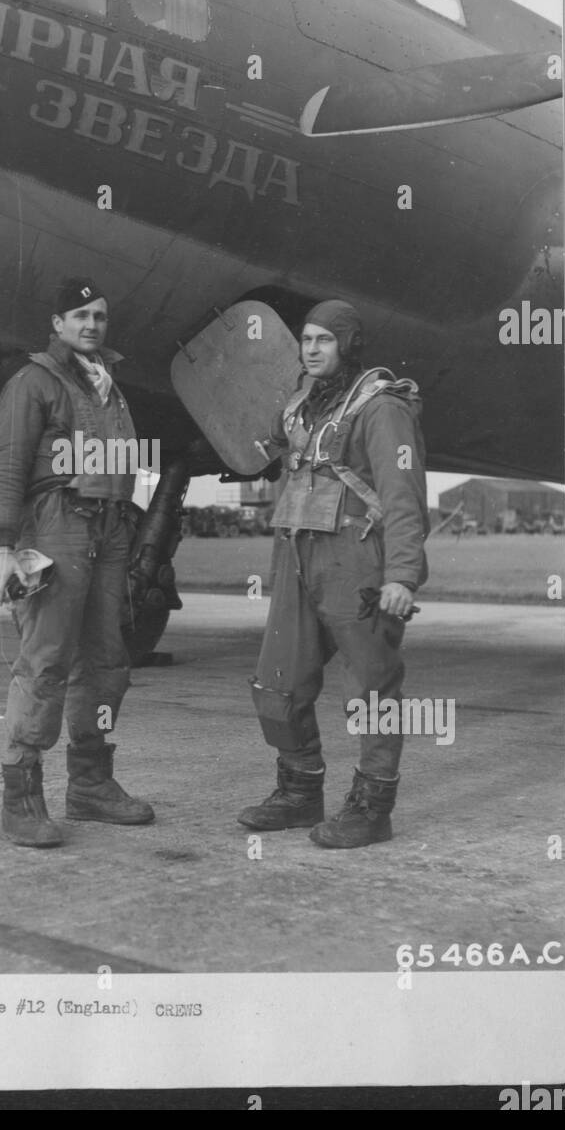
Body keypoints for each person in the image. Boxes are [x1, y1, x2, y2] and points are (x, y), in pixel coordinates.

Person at [238, 300, 429, 848]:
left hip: (358, 564)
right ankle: (300, 793)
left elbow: (403, 496)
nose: (312, 349)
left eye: (325, 340)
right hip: (298, 556)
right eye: (306, 339)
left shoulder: (381, 407)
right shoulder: (303, 405)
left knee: (372, 688)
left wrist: (403, 575)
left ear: (347, 345)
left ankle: (372, 808)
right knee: (279, 679)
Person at [0, 279, 155, 847]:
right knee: (46, 662)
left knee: (107, 661)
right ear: (56, 323)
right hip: (56, 526)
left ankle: (90, 783)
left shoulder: (109, 385)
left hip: (108, 529)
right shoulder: (33, 382)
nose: (91, 325)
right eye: (79, 315)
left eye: (100, 316)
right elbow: (9, 466)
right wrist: (2, 547)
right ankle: (22, 796)